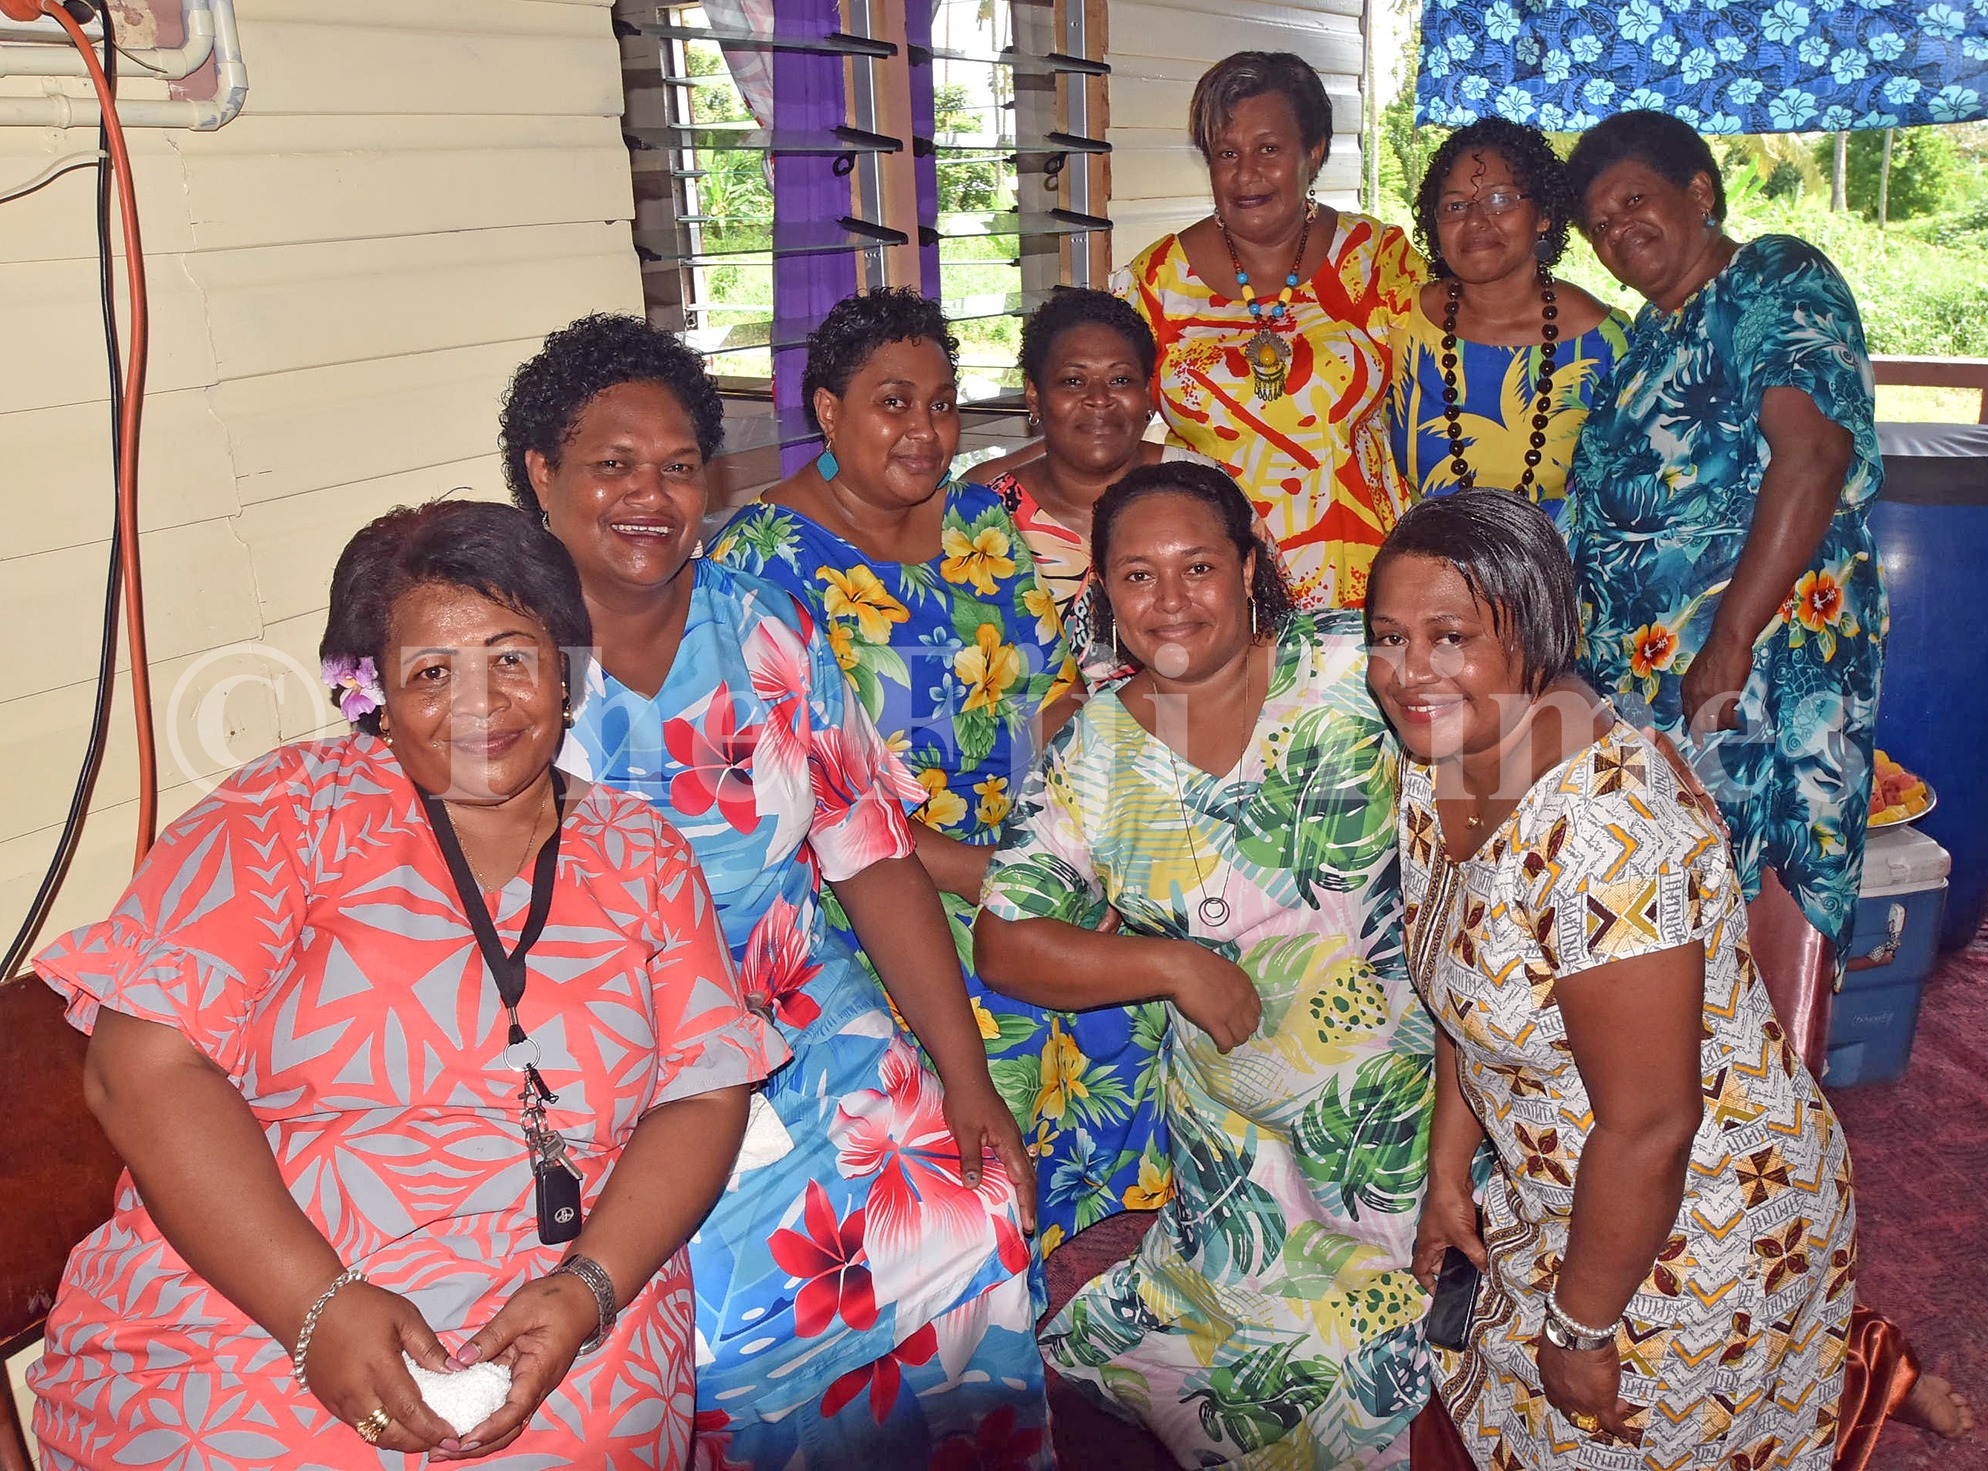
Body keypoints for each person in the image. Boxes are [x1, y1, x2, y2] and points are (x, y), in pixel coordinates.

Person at [28, 500, 788, 1469]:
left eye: (514, 655)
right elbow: (140, 1068)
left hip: (562, 1305)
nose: (484, 701)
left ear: (566, 667)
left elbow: (703, 1085)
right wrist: (316, 1310)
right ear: (372, 692)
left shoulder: (644, 856)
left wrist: (589, 1288)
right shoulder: (285, 814)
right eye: (432, 671)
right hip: (255, 1290)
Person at [501, 313, 1050, 1468]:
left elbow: (872, 853)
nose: (650, 495)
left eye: (677, 466)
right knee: (735, 1325)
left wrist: (964, 1076)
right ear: (543, 476)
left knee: (970, 1210)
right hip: (625, 1065)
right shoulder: (505, 664)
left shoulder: (758, 621)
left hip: (810, 1012)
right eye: (612, 465)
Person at [1367, 489, 1856, 1471]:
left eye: (1447, 635)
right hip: (1566, 1195)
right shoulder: (1446, 755)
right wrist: (1443, 1172)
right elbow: (1466, 998)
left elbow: (1649, 1123)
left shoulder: (1606, 837)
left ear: (1534, 638)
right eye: (1385, 637)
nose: (1404, 672)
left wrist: (1583, 1326)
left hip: (1702, 1231)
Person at [976, 463, 1436, 1469]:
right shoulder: (1092, 750)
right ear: (1101, 595)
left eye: (1197, 568)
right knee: (1266, 1394)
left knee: (1392, 1392)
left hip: (1413, 1112)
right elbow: (1005, 940)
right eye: (1136, 577)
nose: (1170, 601)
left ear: (1249, 570)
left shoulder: (1355, 671)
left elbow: (1521, 729)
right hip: (1240, 1147)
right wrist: (1172, 964)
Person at [711, 289, 1166, 1248]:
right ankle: (1010, 1262)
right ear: (828, 411)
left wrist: (1083, 841)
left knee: (1155, 977)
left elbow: (1056, 697)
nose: (927, 428)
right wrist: (994, 875)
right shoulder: (760, 560)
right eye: (894, 401)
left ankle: (1103, 1255)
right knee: (1010, 1019)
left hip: (1034, 843)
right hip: (879, 881)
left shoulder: (978, 520)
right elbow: (811, 796)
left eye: (944, 402)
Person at [1565, 110, 1887, 1019]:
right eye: (1599, 224)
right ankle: (1695, 1129)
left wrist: (1734, 635)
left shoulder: (1771, 279)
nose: (1618, 232)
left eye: (1636, 200)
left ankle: (1774, 1137)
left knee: (1758, 903)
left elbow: (1812, 454)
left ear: (1699, 193)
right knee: (1678, 917)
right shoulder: (1652, 337)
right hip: (1653, 688)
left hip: (1756, 670)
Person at [1113, 50, 1425, 609]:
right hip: (1213, 587)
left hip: (1373, 577)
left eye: (1269, 149)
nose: (1245, 173)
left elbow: (1449, 393)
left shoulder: (1378, 261)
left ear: (1316, 151)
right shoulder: (1153, 283)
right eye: (1226, 153)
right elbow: (1103, 429)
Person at [977, 286, 1222, 684]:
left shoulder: (1203, 488)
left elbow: (1265, 620)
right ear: (1035, 397)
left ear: (1146, 393)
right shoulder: (986, 514)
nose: (1098, 399)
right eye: (1073, 381)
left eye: (1120, 379)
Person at [1385, 118, 1630, 517]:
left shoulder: (1607, 344)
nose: (1476, 221)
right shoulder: (1395, 322)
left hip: (1559, 576)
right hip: (1421, 574)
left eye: (1501, 199)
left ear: (1544, 214)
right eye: (1455, 205)